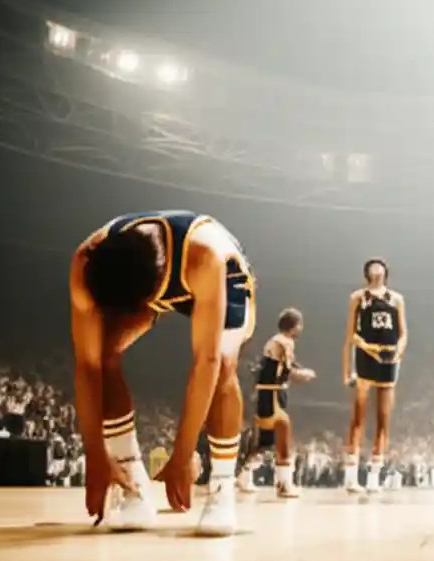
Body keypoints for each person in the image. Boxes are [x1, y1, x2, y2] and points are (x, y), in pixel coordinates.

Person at [69, 210, 255, 537]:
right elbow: (87, 366)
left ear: (154, 288)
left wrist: (182, 454)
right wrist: (95, 454)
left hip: (225, 279)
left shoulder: (204, 256)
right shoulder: (85, 260)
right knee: (103, 352)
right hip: (150, 277)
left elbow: (206, 362)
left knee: (225, 365)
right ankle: (133, 485)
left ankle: (222, 489)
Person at [341, 258, 407, 494]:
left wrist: (398, 352)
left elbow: (403, 333)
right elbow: (350, 335)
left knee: (383, 418)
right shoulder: (358, 297)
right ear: (367, 272)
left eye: (381, 265)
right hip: (366, 355)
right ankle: (350, 474)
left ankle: (374, 475)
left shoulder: (396, 299)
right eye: (373, 265)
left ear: (386, 272)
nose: (377, 268)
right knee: (358, 417)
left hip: (389, 358)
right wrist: (346, 369)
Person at [243, 307, 315, 499]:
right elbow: (288, 372)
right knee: (283, 433)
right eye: (300, 325)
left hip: (265, 393)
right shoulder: (285, 342)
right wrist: (305, 375)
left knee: (265, 441)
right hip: (273, 393)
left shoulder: (275, 341)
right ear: (296, 326)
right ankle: (284, 484)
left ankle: (243, 476)